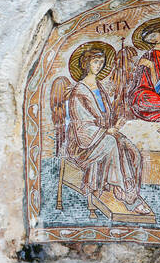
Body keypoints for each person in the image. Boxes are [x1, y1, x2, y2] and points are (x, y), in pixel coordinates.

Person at [62, 42, 151, 214]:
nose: (98, 66)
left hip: (101, 135)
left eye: (101, 63)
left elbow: (105, 117)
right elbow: (82, 125)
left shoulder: (100, 87)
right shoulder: (78, 91)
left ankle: (122, 188)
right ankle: (129, 197)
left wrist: (115, 124)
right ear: (86, 63)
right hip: (84, 144)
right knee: (111, 142)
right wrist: (105, 131)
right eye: (95, 62)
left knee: (131, 149)